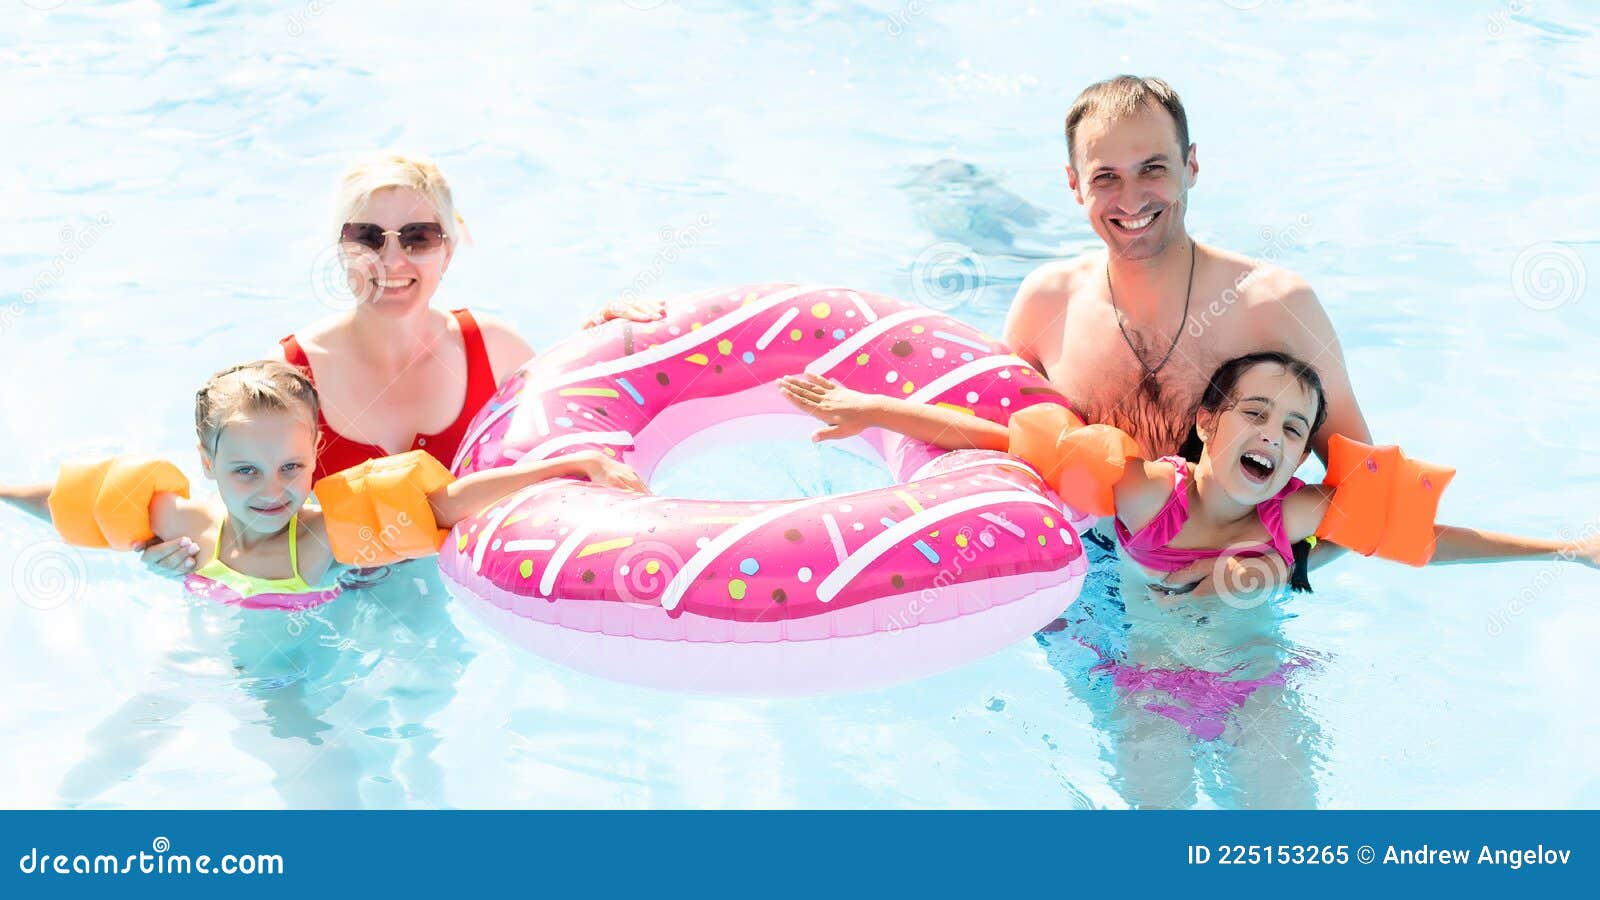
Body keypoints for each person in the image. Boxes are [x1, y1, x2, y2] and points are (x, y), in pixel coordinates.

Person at [138, 153, 662, 575]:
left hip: (466, 596)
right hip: (334, 610)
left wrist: (600, 342)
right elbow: (241, 506)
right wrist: (179, 559)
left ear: (447, 251)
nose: (391, 261)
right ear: (341, 249)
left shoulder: (496, 350)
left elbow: (571, 423)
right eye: (367, 237)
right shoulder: (290, 377)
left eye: (418, 237)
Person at [2, 361, 648, 602]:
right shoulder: (183, 529)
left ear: (316, 452)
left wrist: (570, 466)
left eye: (291, 467)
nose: (272, 491)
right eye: (245, 471)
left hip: (318, 669)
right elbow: (68, 504)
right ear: (205, 462)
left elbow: (445, 504)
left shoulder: (322, 540)